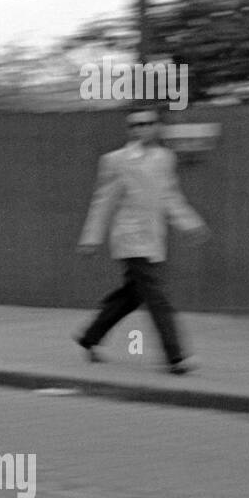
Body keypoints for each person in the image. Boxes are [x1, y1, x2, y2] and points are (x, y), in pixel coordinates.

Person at [75, 109, 209, 374]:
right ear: (130, 130)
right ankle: (176, 357)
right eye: (135, 125)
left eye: (147, 124)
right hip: (131, 238)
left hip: (153, 237)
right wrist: (91, 237)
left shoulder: (164, 158)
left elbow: (170, 197)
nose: (141, 129)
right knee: (158, 298)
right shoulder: (116, 160)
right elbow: (104, 201)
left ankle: (91, 336)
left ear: (157, 127)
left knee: (133, 295)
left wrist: (190, 224)